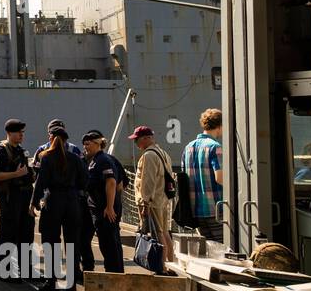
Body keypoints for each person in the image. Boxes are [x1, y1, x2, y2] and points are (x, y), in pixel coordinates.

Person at [33, 118, 90, 286]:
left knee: (51, 240)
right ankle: (71, 283)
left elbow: (40, 181)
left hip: (53, 200)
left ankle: (51, 281)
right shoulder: (75, 156)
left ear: (50, 137)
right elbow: (85, 180)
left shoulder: (45, 155)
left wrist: (34, 202)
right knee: (72, 242)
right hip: (72, 201)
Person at [0, 118, 34, 278]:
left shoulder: (21, 150)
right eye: (18, 132)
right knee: (8, 233)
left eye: (22, 132)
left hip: (24, 197)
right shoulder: (0, 151)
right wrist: (16, 174)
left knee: (26, 233)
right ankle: (5, 271)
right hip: (10, 197)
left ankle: (26, 270)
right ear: (9, 133)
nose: (21, 135)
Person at [132, 125, 177, 270]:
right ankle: (171, 265)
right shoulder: (163, 153)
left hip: (152, 202)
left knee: (158, 234)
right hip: (162, 199)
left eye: (137, 140)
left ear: (146, 138)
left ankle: (162, 267)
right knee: (164, 232)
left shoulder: (149, 156)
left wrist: (145, 203)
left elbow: (148, 181)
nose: (136, 143)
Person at [82, 130, 125, 273]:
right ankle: (115, 272)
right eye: (84, 144)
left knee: (109, 243)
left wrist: (110, 206)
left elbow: (112, 182)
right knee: (110, 242)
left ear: (97, 144)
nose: (85, 147)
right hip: (101, 208)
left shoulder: (102, 160)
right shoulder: (102, 159)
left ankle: (114, 274)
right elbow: (121, 184)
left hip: (105, 210)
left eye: (88, 144)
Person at [182, 108, 224, 241]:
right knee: (223, 247)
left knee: (209, 248)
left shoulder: (188, 148)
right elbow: (220, 178)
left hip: (195, 210)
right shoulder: (215, 147)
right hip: (215, 209)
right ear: (219, 125)